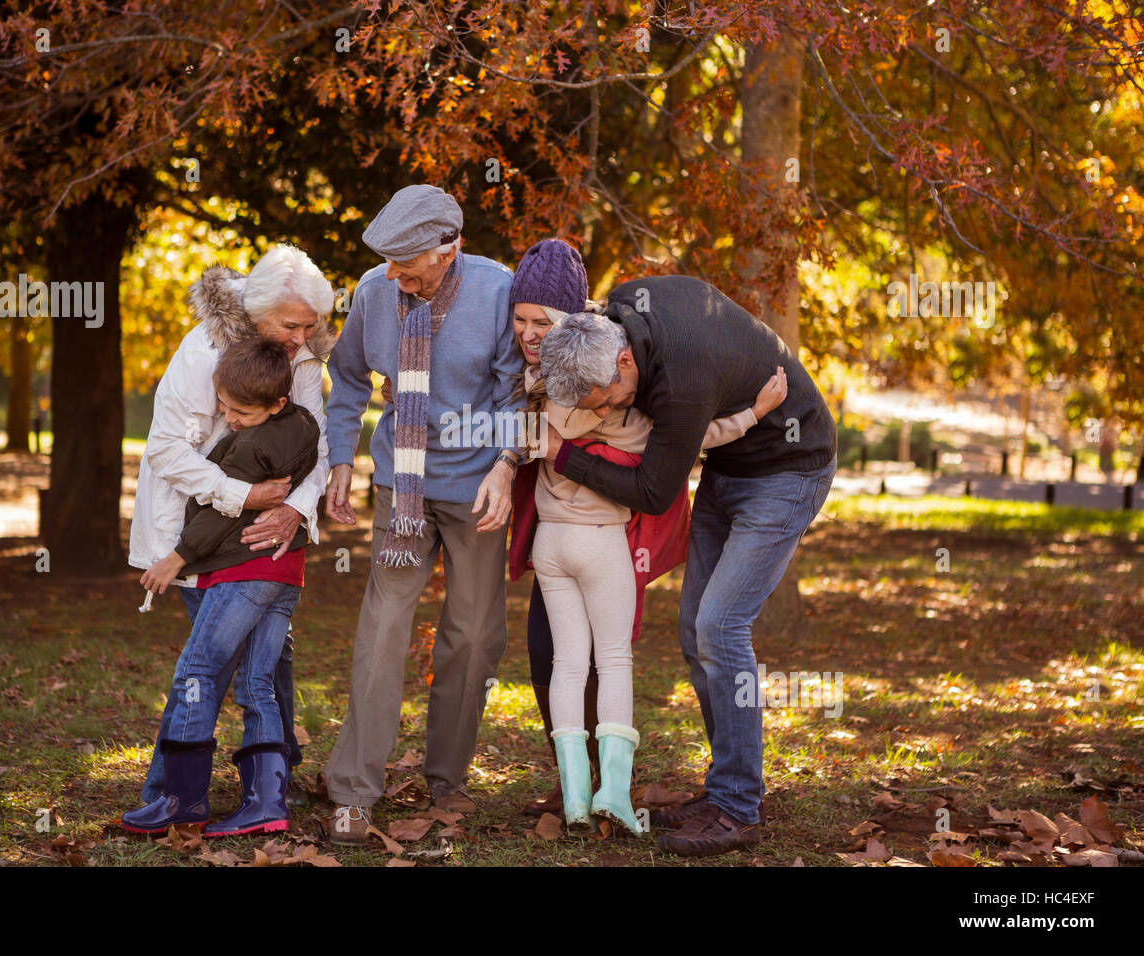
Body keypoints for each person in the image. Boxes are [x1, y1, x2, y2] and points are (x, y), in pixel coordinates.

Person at [538, 277, 836, 856]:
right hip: (731, 468)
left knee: (720, 626)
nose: (607, 412)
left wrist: (565, 456)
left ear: (626, 360)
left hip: (789, 468)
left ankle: (737, 808)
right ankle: (727, 786)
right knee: (694, 628)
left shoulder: (680, 379)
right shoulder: (619, 312)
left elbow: (650, 491)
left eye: (608, 398)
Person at [321, 184, 523, 844]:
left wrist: (505, 467)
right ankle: (353, 789)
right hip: (401, 486)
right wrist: (343, 459)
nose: (391, 275)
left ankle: (448, 779)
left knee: (473, 634)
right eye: (387, 261)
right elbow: (348, 375)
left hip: (475, 488)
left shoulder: (498, 291)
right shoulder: (378, 293)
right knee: (383, 625)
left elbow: (516, 391)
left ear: (448, 251)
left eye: (406, 263)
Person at [128, 244, 335, 809]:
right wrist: (244, 496)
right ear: (258, 310)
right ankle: (173, 791)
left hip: (270, 535)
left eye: (310, 326)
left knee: (265, 663)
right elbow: (167, 450)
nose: (300, 337)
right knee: (213, 661)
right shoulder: (203, 353)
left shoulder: (301, 353)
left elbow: (316, 445)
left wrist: (296, 508)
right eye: (291, 325)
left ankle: (267, 788)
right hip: (197, 531)